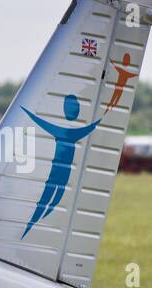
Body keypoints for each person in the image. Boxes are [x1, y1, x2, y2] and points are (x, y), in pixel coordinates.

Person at [20, 94, 100, 237]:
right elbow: (42, 123)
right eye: (70, 107)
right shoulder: (69, 131)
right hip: (55, 174)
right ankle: (29, 227)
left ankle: (30, 227)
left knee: (53, 202)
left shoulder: (69, 131)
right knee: (46, 201)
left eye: (75, 107)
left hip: (64, 173)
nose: (73, 110)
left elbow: (42, 123)